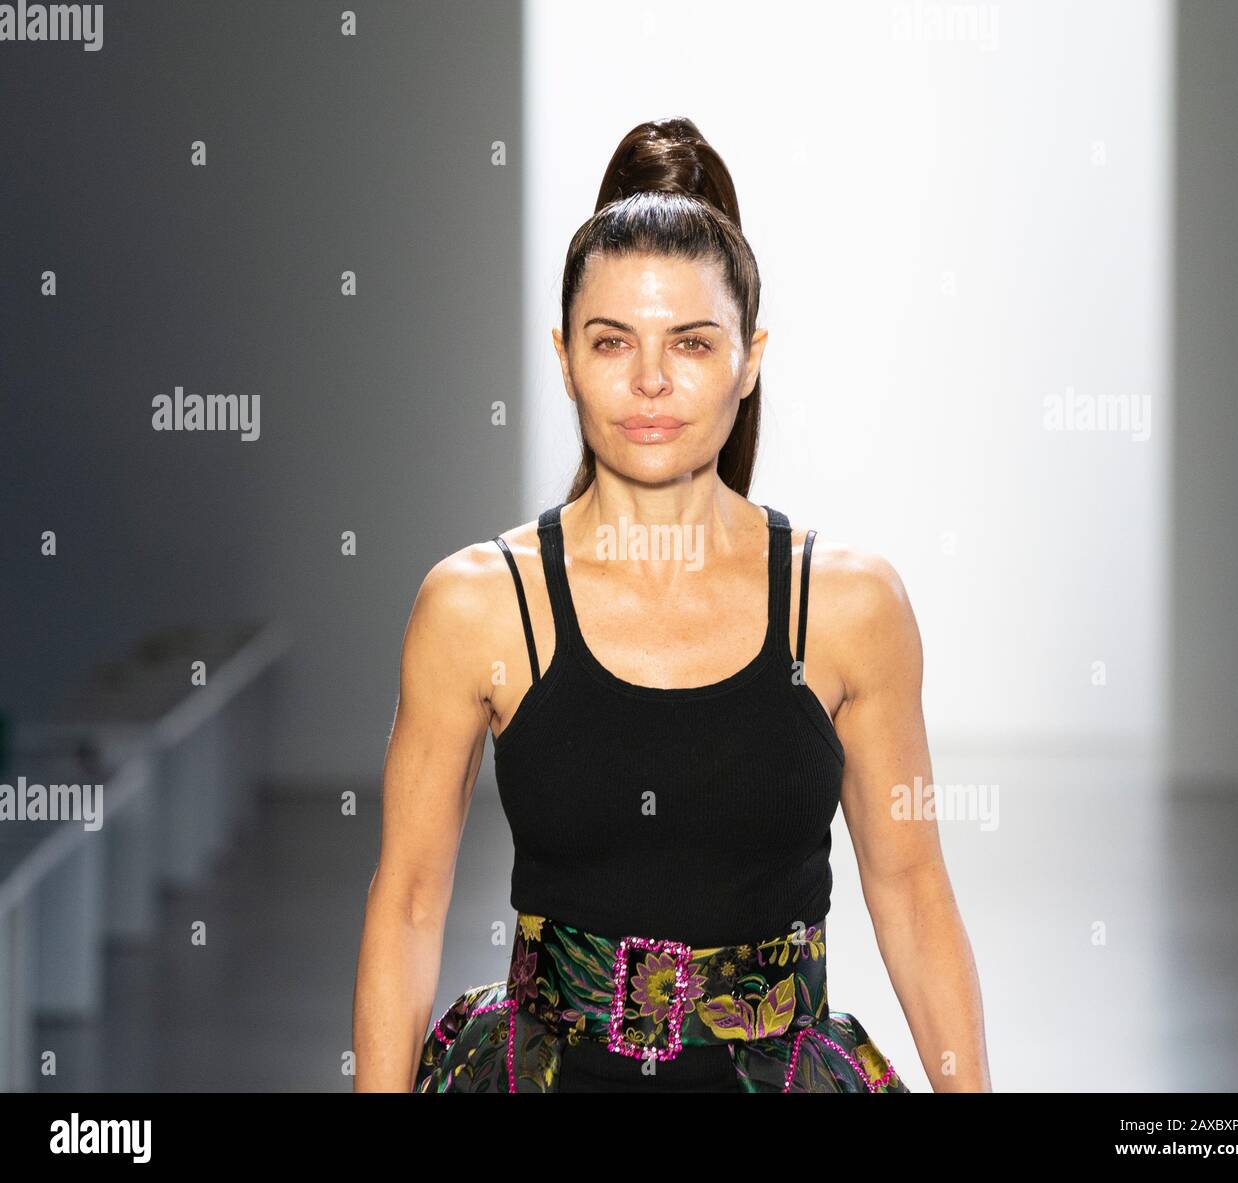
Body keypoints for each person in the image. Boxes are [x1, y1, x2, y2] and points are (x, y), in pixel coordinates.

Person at [353, 117, 990, 1093]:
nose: (650, 380)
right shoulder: (477, 606)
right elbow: (405, 903)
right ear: (566, 355)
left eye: (690, 343)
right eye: (614, 342)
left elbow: (910, 891)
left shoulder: (849, 605)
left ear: (748, 356)